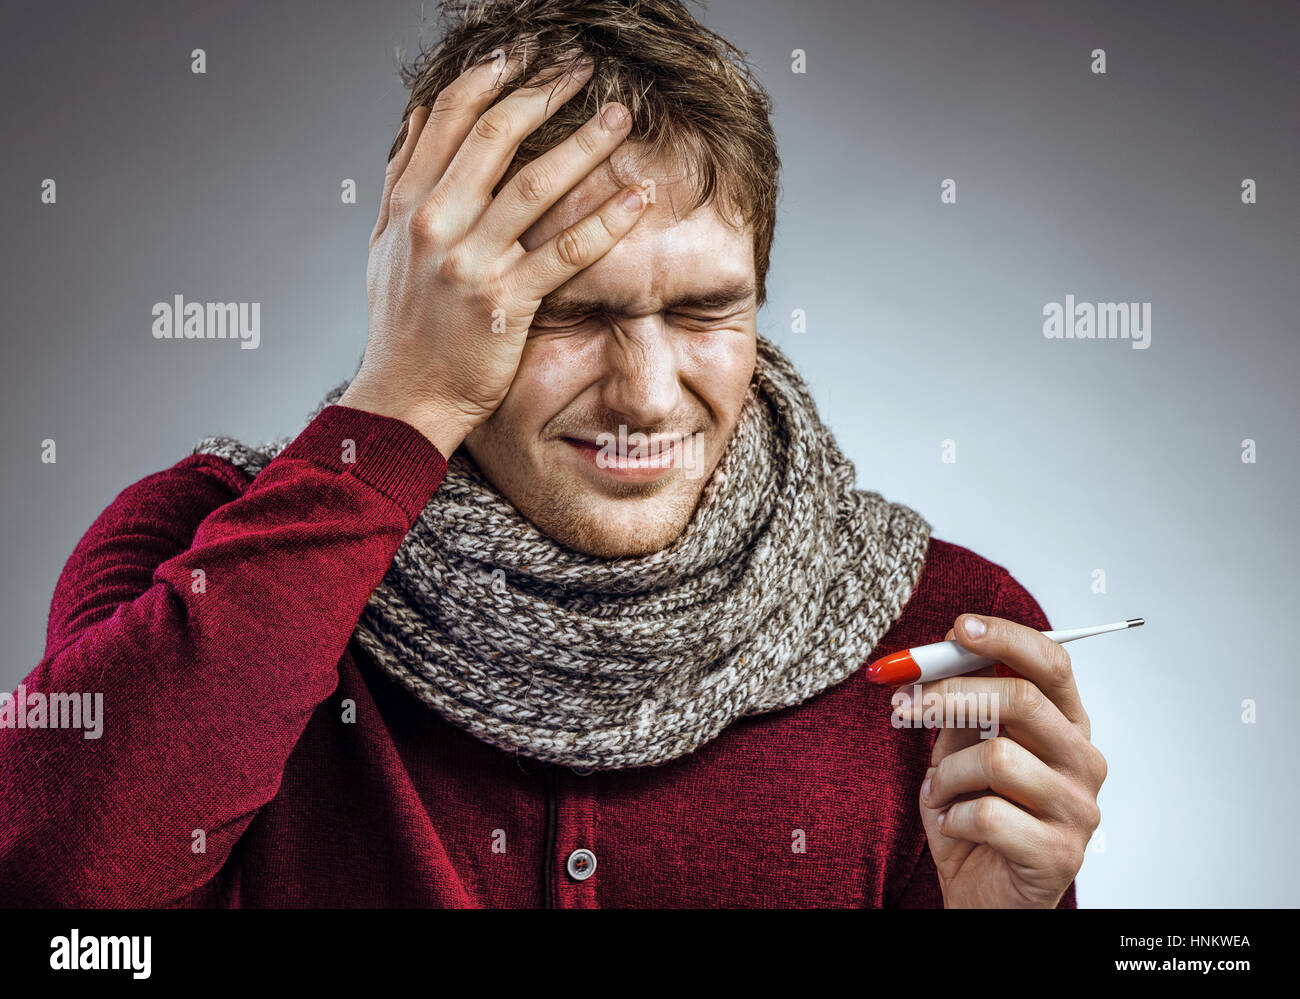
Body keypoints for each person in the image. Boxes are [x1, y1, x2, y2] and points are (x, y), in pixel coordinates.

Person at [0, 0, 1105, 908]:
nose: (646, 392)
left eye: (706, 311)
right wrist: (400, 406)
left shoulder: (948, 633)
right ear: (428, 298)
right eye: (566, 316)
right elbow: (56, 897)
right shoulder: (188, 553)